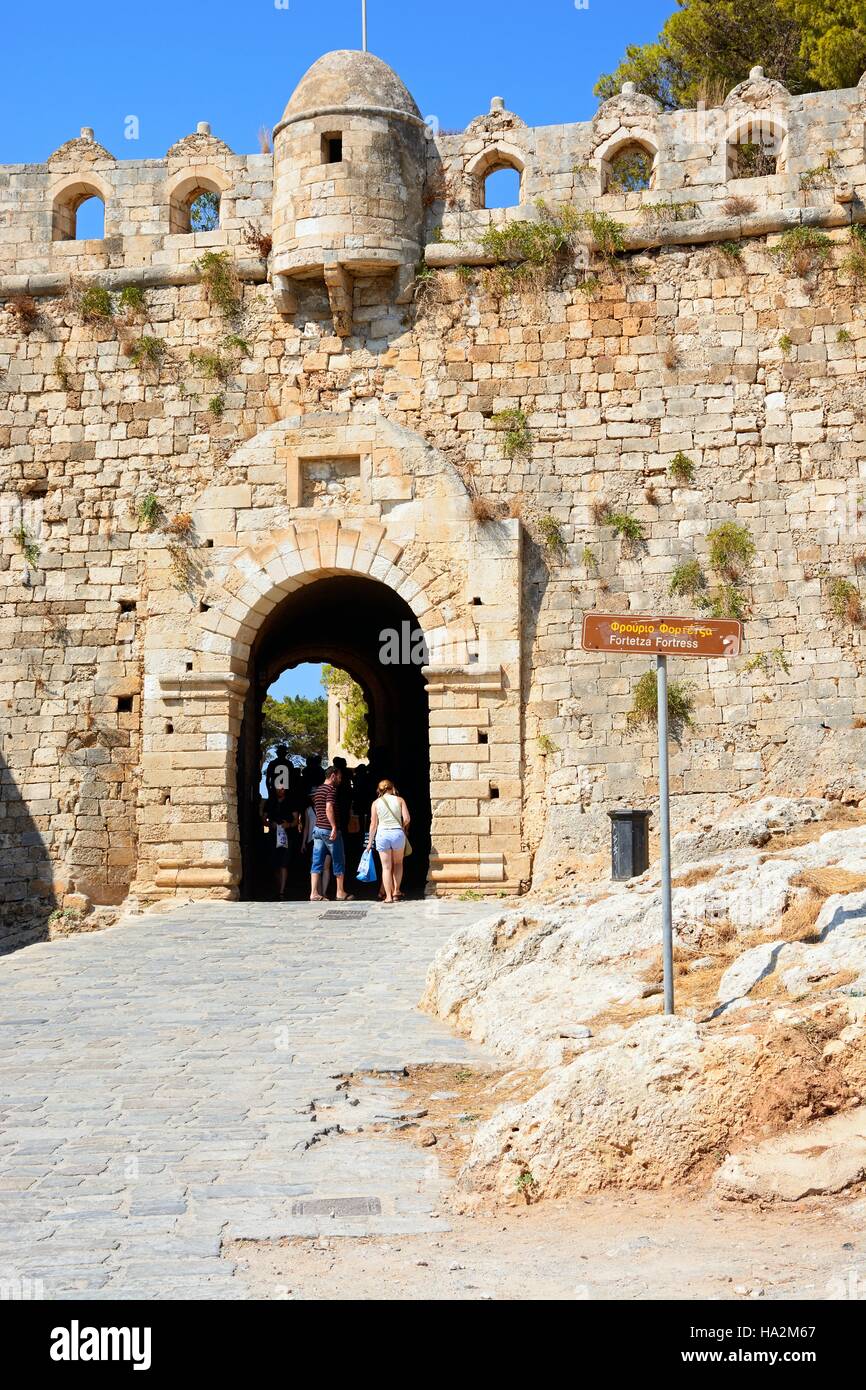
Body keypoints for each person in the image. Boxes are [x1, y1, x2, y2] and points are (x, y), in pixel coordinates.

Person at [309, 766, 351, 902]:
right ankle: (340, 892)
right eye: (339, 777)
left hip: (317, 829)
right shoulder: (331, 789)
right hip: (329, 830)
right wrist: (333, 826)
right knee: (338, 860)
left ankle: (314, 893)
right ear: (333, 776)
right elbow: (329, 808)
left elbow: (318, 809)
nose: (340, 780)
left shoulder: (318, 790)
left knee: (316, 862)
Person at [368, 779, 410, 905]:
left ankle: (388, 897)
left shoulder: (375, 803)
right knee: (398, 864)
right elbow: (407, 818)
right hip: (397, 833)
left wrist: (370, 842)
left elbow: (373, 824)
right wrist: (401, 827)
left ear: (380, 790)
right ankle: (396, 891)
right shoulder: (400, 800)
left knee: (386, 867)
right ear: (393, 788)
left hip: (382, 834)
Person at [264, 783, 298, 900]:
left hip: (288, 837)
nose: (281, 790)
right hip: (273, 836)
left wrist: (288, 825)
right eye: (279, 787)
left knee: (284, 864)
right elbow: (264, 818)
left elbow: (296, 820)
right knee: (275, 864)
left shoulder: (291, 802)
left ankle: (282, 891)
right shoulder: (270, 802)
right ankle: (279, 889)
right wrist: (270, 824)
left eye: (283, 788)